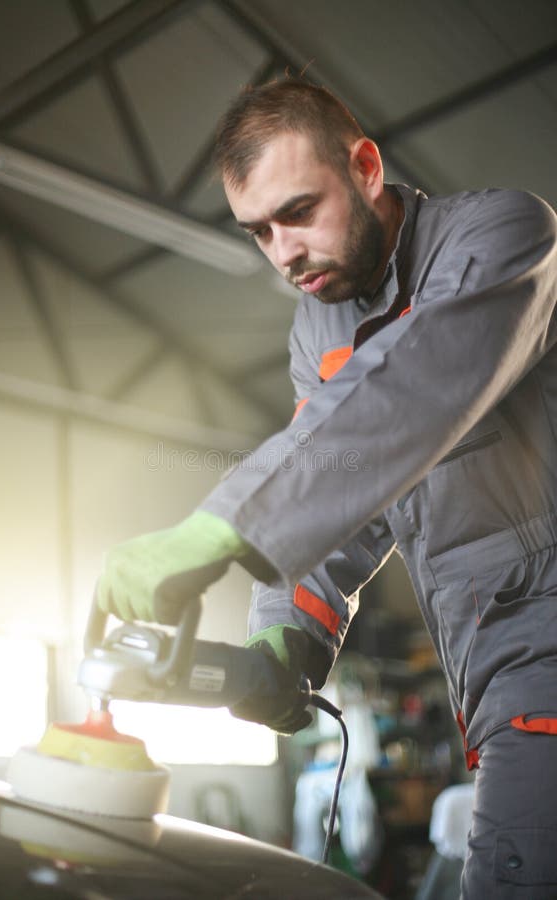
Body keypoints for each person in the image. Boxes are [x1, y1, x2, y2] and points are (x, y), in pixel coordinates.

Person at [96, 79, 557, 896]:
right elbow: (349, 480)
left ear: (367, 167)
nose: (282, 254)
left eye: (298, 212)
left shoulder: (504, 234)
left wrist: (215, 530)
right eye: (258, 232)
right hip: (485, 658)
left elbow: (408, 390)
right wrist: (286, 637)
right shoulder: (319, 327)